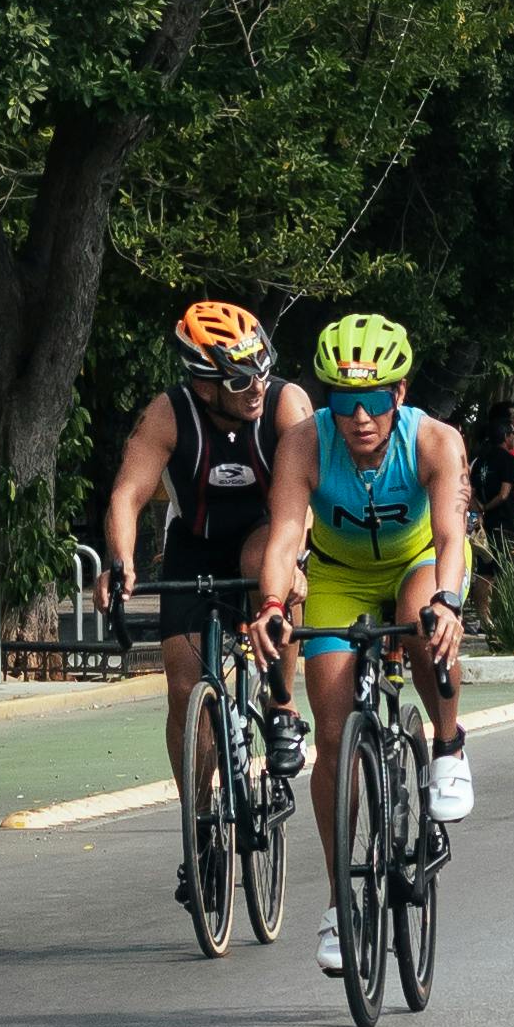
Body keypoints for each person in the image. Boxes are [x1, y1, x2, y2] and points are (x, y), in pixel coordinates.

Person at [256, 311, 475, 980]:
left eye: (373, 401)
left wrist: (448, 601)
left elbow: (448, 539)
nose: (358, 418)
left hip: (414, 566)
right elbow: (286, 535)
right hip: (340, 576)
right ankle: (338, 904)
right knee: (330, 732)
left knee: (422, 623)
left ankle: (445, 743)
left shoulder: (436, 441)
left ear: (398, 395)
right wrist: (270, 603)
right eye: (344, 402)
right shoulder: (303, 443)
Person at [96, 306, 312, 833]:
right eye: (240, 378)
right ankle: (198, 821)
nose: (257, 385)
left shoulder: (287, 406)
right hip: (194, 544)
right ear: (204, 383)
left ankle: (281, 707)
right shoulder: (168, 415)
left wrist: (299, 558)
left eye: (263, 367)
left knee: (266, 565)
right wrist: (119, 562)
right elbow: (128, 494)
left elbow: (305, 495)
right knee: (182, 686)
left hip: (267, 534)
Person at [465, 402, 514, 585]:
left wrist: (479, 511)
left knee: (486, 569)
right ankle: (497, 612)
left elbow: (471, 492)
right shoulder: (509, 459)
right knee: (507, 569)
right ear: (505, 433)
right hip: (506, 522)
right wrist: (485, 508)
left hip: (487, 521)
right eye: (513, 423)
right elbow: (504, 493)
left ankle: (482, 613)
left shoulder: (480, 459)